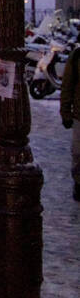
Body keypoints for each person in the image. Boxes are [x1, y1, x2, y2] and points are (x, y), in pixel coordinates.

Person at [60, 42, 80, 200]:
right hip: (79, 115)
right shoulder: (77, 56)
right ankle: (79, 183)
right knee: (78, 152)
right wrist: (65, 112)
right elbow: (67, 85)